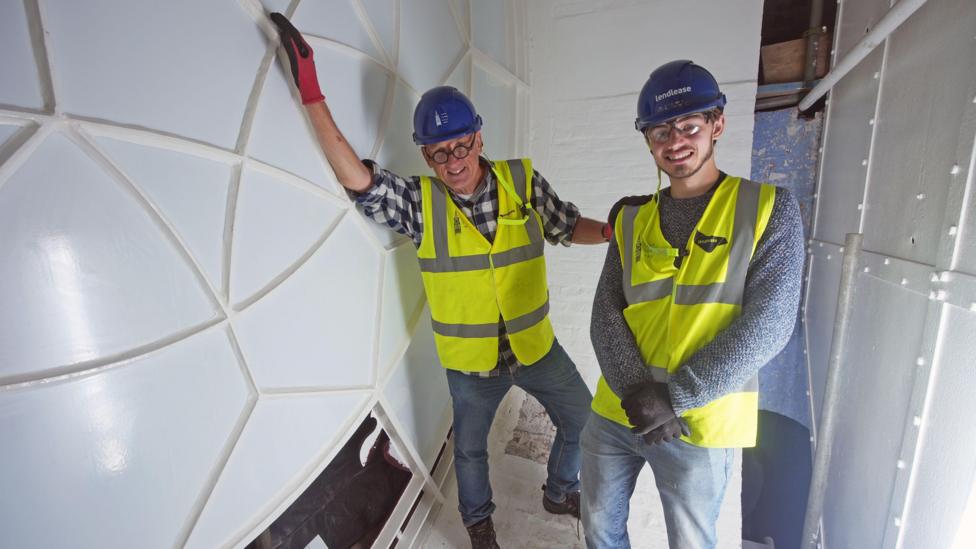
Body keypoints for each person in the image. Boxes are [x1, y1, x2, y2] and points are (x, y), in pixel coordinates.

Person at [269, 14, 606, 549]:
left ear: (478, 135)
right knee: (469, 452)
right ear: (426, 154)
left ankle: (560, 489)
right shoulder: (421, 205)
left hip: (536, 348)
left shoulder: (520, 180)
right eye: (439, 152)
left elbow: (566, 224)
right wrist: (311, 90)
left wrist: (612, 231)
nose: (454, 161)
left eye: (462, 145)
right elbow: (359, 178)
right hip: (471, 365)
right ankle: (479, 525)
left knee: (583, 419)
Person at [582, 60, 805, 548]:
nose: (675, 140)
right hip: (619, 409)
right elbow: (605, 314)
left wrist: (675, 397)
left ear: (717, 124)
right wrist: (637, 392)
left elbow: (770, 324)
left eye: (689, 125)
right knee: (598, 526)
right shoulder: (632, 218)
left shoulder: (768, 210)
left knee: (691, 540)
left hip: (701, 423)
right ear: (647, 140)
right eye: (660, 130)